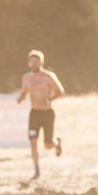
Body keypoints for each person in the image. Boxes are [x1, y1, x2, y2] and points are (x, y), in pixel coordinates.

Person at [16, 49, 65, 181]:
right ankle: (37, 170)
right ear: (28, 63)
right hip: (34, 114)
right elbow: (24, 92)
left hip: (47, 113)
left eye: (36, 62)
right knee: (33, 141)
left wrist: (51, 98)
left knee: (47, 145)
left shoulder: (48, 76)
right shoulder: (26, 78)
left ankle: (56, 143)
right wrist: (21, 98)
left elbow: (60, 91)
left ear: (41, 63)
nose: (34, 64)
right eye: (31, 62)